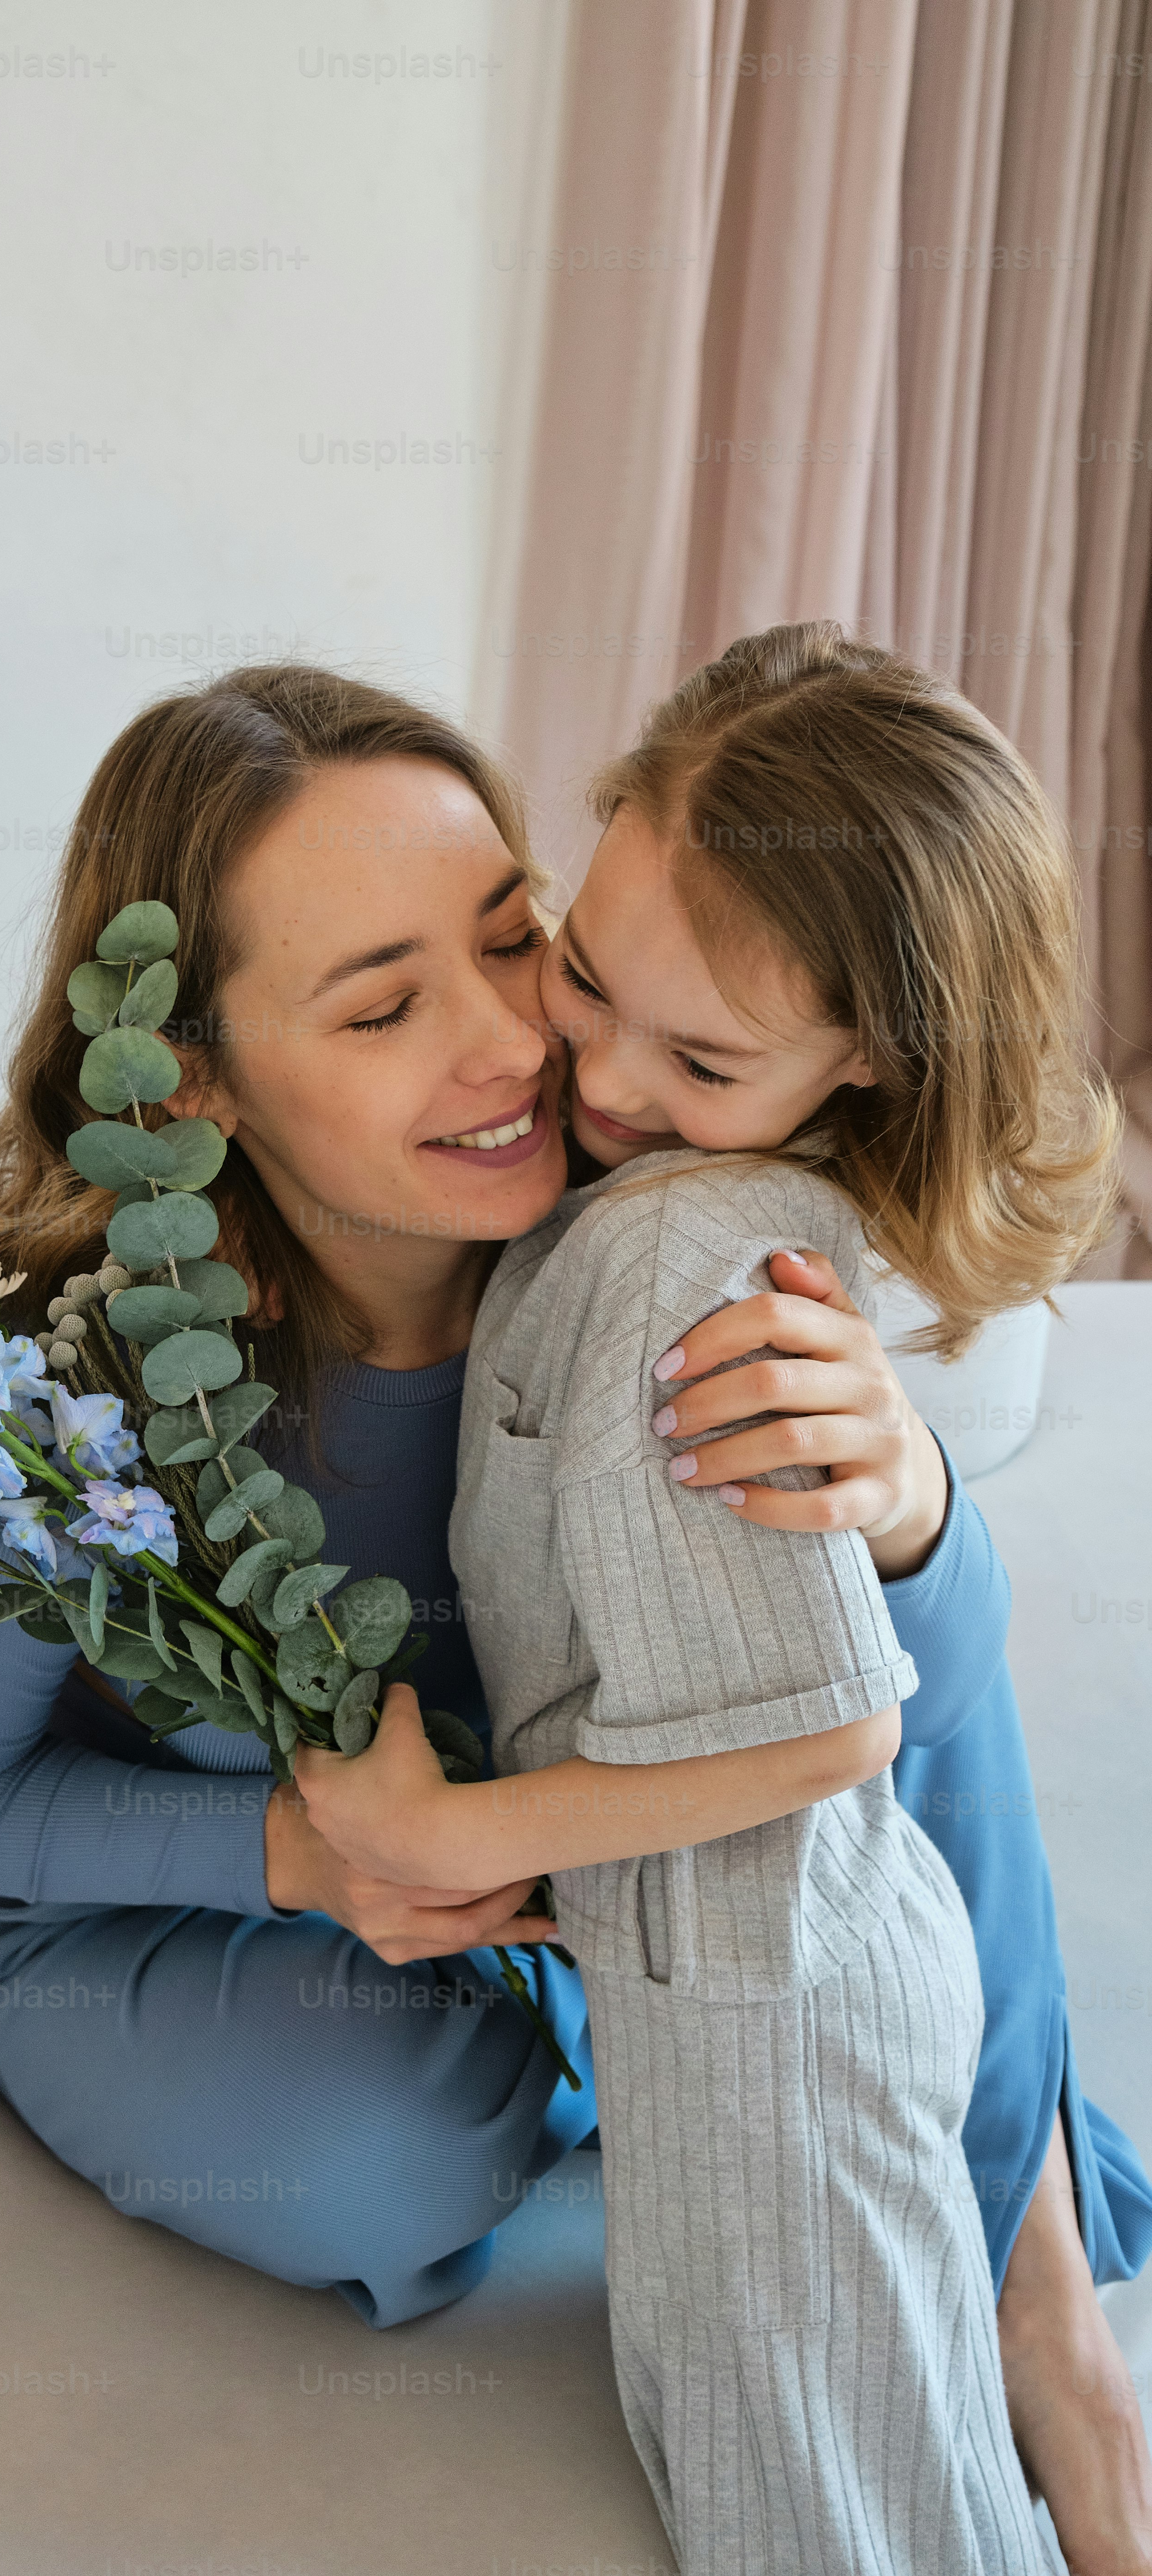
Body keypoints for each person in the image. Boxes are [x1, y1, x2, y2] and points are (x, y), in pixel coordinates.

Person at [0, 661, 1152, 2572]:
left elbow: (923, 1734)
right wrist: (298, 1851)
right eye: (384, 1004)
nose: (518, 1048)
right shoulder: (67, 1374)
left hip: (550, 1846)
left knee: (858, 1843)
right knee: (382, 2153)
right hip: (171, 1894)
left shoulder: (630, 1248)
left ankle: (1037, 2298)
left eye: (509, 939)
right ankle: (575, 2010)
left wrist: (906, 1509)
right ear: (186, 1076)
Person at [295, 622, 1125, 2567]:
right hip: (708, 1824)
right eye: (584, 974)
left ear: (864, 1059)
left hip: (793, 1873)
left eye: (701, 1058)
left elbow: (861, 1730)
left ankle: (1053, 2308)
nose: (585, 1074)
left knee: (922, 1658)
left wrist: (911, 1497)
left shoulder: (719, 1271)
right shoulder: (634, 1200)